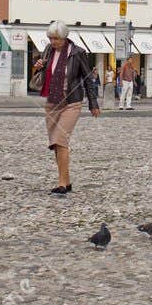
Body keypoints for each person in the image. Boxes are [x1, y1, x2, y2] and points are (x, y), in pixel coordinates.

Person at [32, 21, 99, 195]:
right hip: (52, 103)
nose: (53, 42)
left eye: (56, 39)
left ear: (64, 37)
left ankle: (61, 184)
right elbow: (45, 74)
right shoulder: (48, 50)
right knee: (56, 142)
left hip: (71, 102)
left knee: (60, 139)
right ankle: (67, 182)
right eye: (51, 38)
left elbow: (88, 79)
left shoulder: (78, 53)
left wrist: (93, 103)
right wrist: (39, 67)